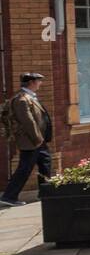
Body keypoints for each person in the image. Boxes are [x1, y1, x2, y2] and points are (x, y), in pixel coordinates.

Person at [1, 73, 54, 207]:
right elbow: (28, 122)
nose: (40, 83)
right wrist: (38, 139)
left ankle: (46, 193)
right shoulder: (22, 99)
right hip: (31, 141)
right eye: (38, 81)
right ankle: (9, 196)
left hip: (37, 141)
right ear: (31, 82)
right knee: (25, 168)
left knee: (45, 163)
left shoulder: (28, 97)